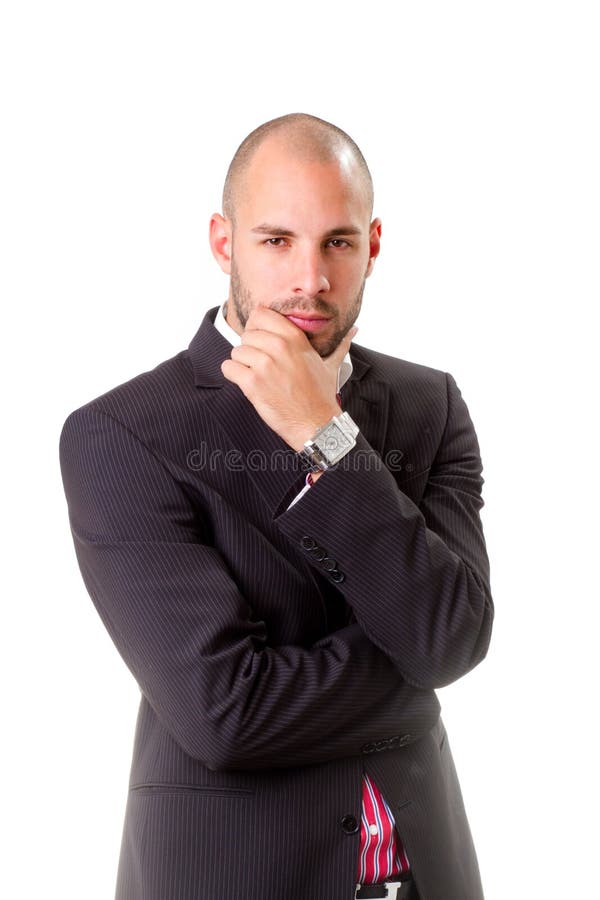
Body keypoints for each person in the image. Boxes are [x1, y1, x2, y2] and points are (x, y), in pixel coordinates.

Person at [59, 112, 494, 900]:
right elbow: (227, 714)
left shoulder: (429, 405)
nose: (311, 280)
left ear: (374, 245)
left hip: (426, 876)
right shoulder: (121, 434)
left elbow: (455, 636)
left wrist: (325, 436)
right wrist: (415, 653)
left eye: (338, 241)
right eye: (276, 241)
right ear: (224, 243)